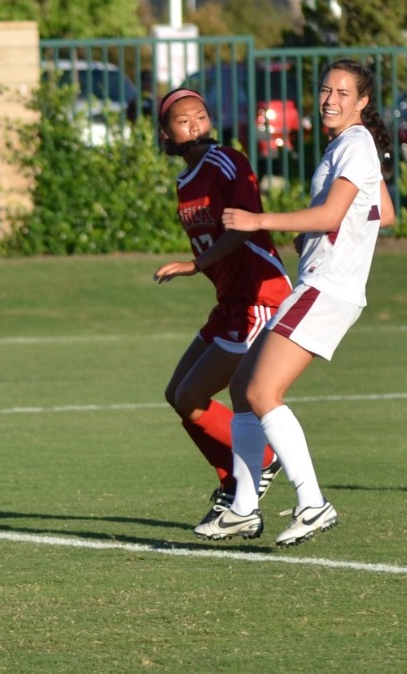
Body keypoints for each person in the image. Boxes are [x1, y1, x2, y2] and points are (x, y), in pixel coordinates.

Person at [194, 59, 396, 546]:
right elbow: (384, 213)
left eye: (343, 93)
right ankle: (244, 507)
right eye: (326, 90)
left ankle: (312, 502)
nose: (330, 100)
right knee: (243, 386)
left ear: (363, 102)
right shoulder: (352, 145)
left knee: (263, 393)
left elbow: (329, 213)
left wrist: (258, 221)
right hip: (323, 282)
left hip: (327, 288)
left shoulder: (354, 143)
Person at [152, 88, 292, 528]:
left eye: (201, 116)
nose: (194, 124)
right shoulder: (184, 183)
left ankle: (259, 462)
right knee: (178, 394)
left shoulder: (226, 161)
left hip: (259, 296)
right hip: (230, 301)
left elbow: (246, 227)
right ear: (166, 133)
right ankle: (236, 476)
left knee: (196, 395)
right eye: (182, 120)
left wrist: (196, 265)